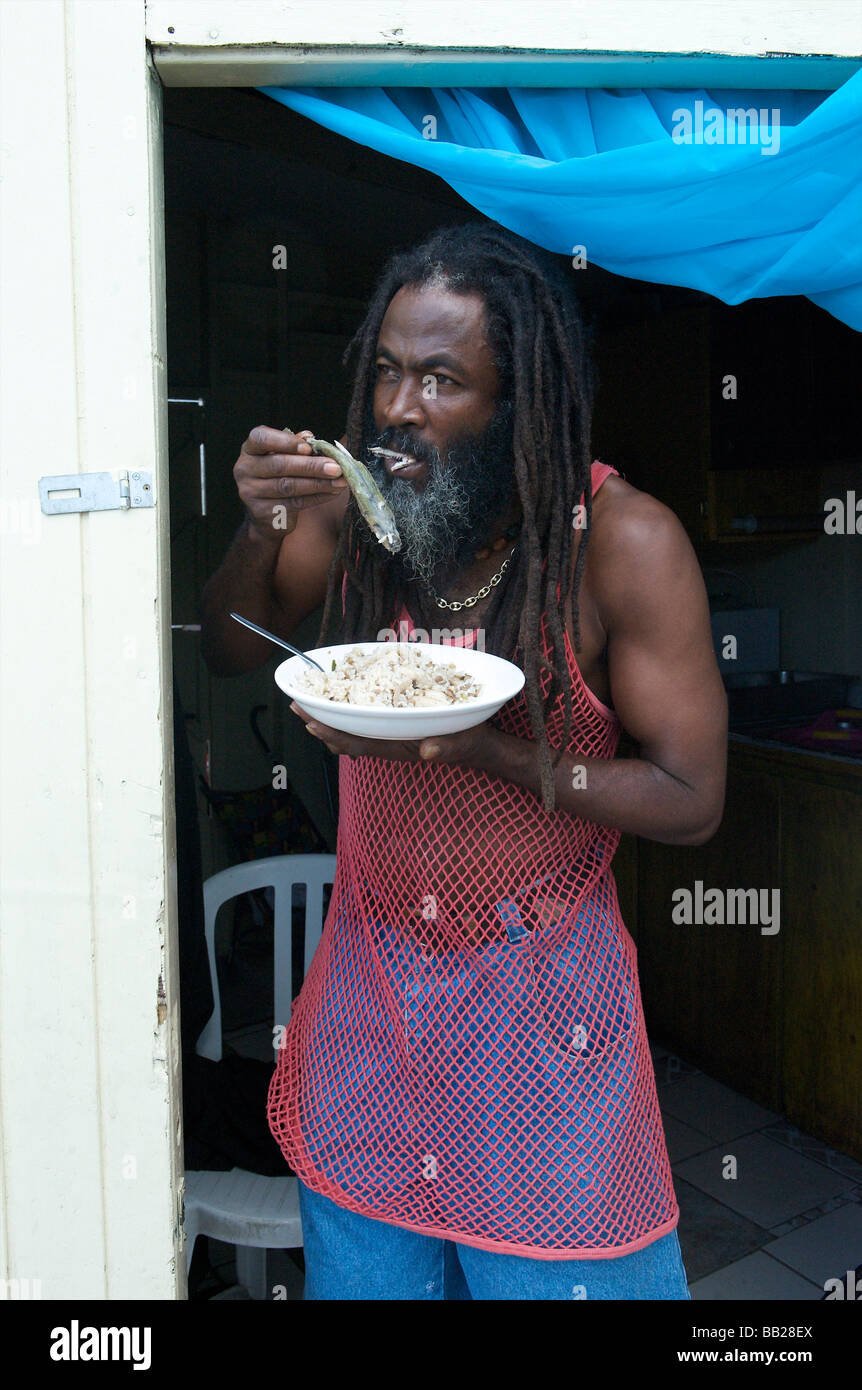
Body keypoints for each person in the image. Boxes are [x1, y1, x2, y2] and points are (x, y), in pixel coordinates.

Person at [200, 222, 727, 1300]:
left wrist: (487, 749)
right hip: (366, 1008)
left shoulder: (621, 543)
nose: (398, 408)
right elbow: (234, 645)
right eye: (389, 371)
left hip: (545, 1026)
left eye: (441, 379)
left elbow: (691, 796)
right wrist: (261, 527)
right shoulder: (356, 517)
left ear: (517, 403)